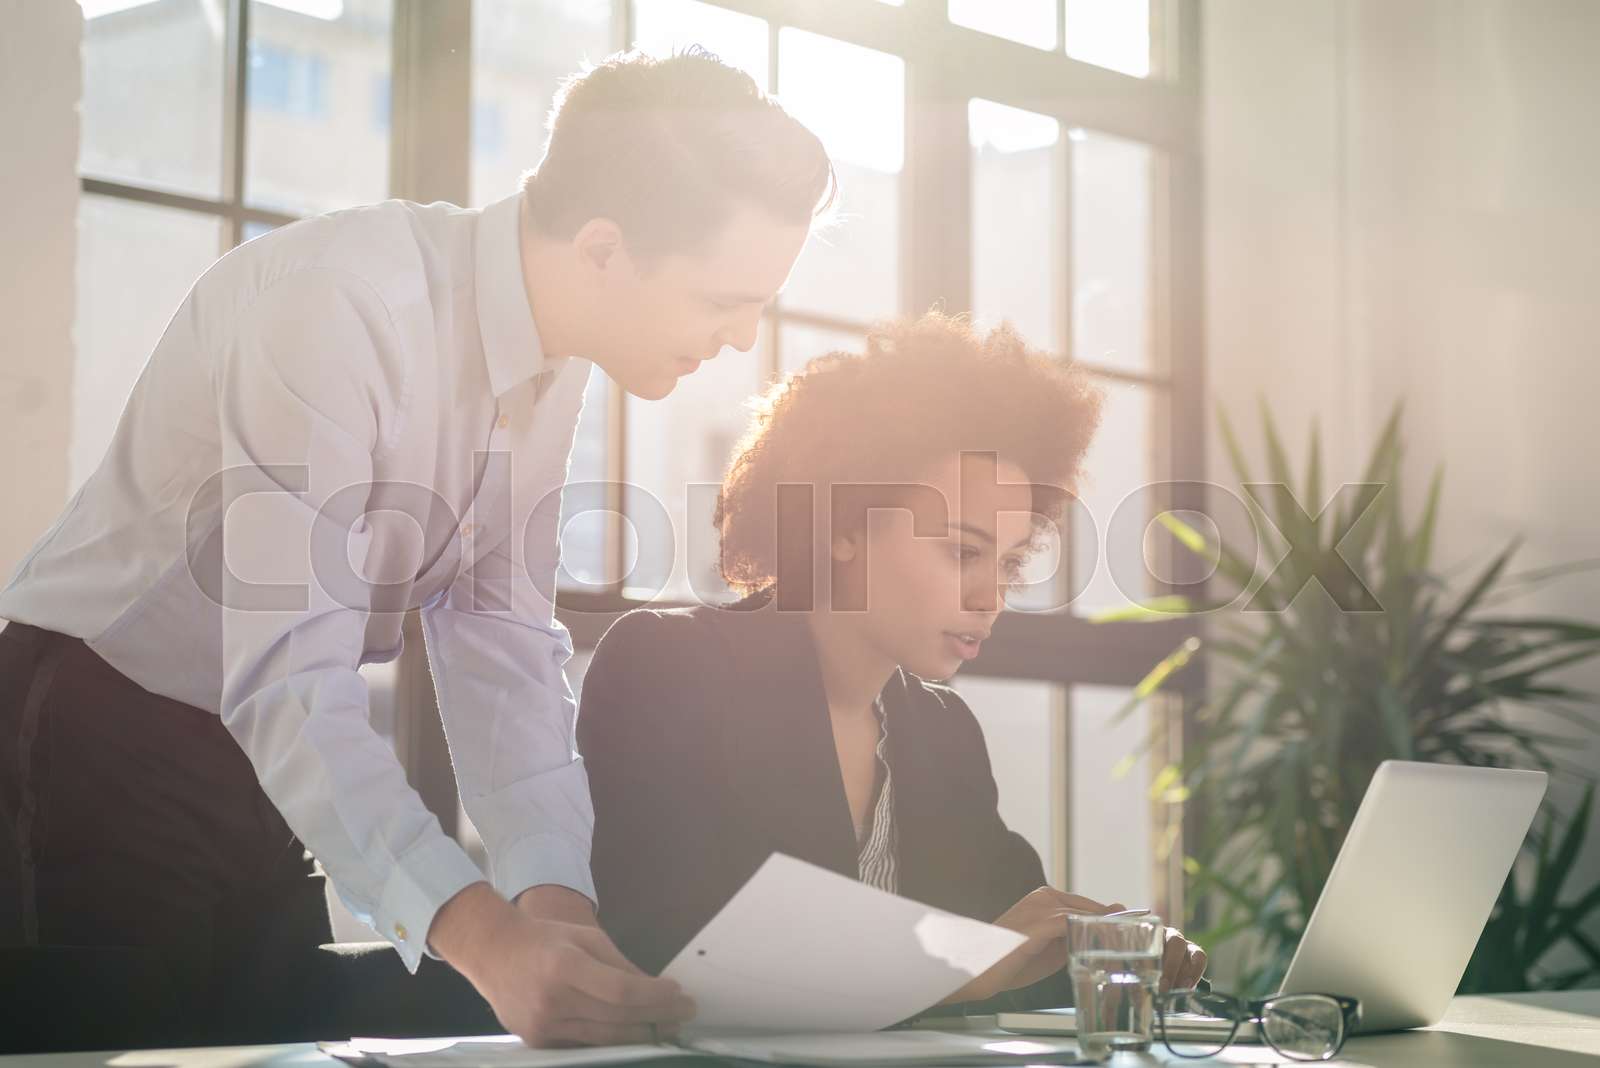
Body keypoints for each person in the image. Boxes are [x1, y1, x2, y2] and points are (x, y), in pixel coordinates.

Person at [0, 49, 833, 1051]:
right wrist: (489, 943)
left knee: (274, 1045)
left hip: (261, 750)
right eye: (723, 300)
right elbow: (286, 675)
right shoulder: (336, 306)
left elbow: (503, 644)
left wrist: (554, 903)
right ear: (605, 249)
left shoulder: (554, 356)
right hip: (98, 721)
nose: (744, 339)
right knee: (134, 1051)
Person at [577, 313, 1207, 1012]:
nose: (989, 597)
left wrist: (1117, 954)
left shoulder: (941, 733)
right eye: (962, 553)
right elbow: (674, 950)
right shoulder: (667, 668)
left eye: (1008, 562)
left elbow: (1014, 951)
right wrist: (979, 961)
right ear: (845, 525)